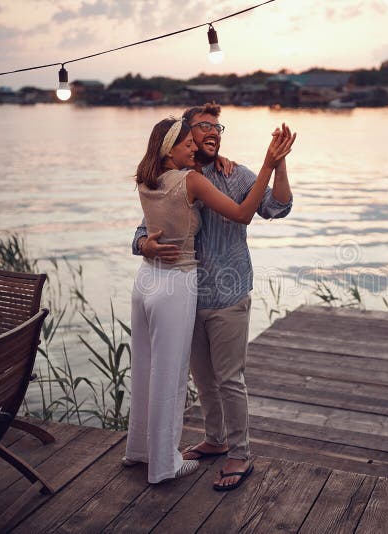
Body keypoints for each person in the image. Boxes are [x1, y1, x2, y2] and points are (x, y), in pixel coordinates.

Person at [124, 115, 295, 485]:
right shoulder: (177, 177)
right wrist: (145, 244)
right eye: (204, 126)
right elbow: (143, 231)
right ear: (187, 136)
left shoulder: (234, 174)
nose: (213, 132)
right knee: (203, 378)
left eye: (219, 127)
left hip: (228, 294)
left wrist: (277, 165)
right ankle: (215, 440)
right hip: (186, 297)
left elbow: (277, 207)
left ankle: (240, 453)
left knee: (230, 379)